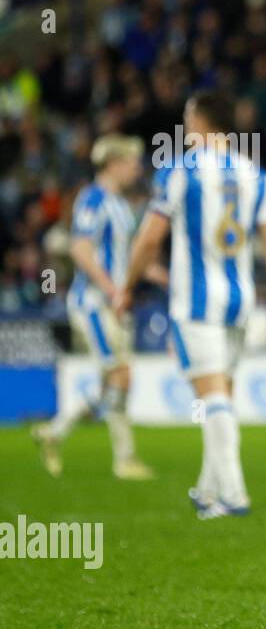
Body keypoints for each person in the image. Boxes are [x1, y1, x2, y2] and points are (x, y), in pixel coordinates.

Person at [115, 90, 266, 518]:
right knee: (222, 395)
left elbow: (148, 238)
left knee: (212, 394)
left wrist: (126, 286)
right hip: (240, 301)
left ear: (198, 121)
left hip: (196, 303)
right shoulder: (257, 175)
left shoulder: (180, 171)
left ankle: (234, 494)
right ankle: (209, 491)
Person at [34, 135, 159, 480]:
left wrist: (160, 275)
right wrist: (111, 289)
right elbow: (80, 249)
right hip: (93, 304)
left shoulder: (121, 205)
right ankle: (125, 459)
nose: (137, 168)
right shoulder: (92, 199)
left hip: (113, 303)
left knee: (112, 381)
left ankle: (53, 433)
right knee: (121, 374)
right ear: (114, 163)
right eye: (132, 161)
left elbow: (127, 257)